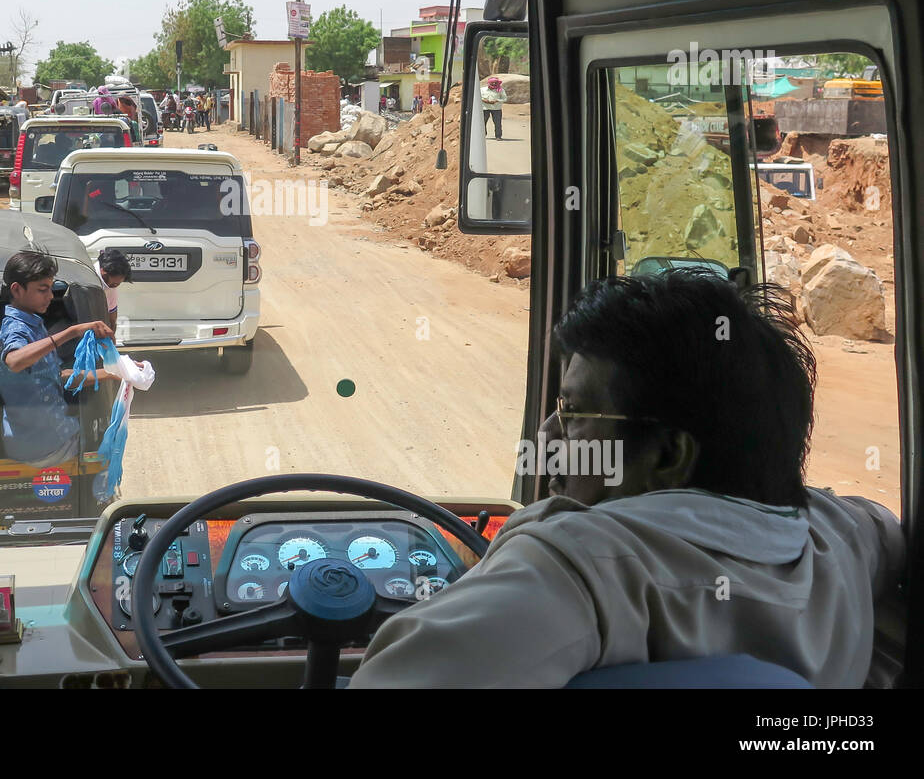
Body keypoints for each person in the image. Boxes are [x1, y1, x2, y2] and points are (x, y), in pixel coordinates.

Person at [351, 272, 904, 688]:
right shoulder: (844, 537)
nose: (547, 437)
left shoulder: (579, 570)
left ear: (666, 454)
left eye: (573, 411)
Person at [0, 251, 116, 467]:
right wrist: (71, 332)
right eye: (42, 290)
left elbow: (59, 377)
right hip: (41, 447)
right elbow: (14, 361)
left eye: (51, 289)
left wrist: (115, 371)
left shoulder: (34, 324)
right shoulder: (15, 329)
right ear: (16, 289)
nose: (50, 296)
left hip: (55, 436)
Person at [97, 247, 134, 331]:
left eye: (116, 284)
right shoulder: (88, 280)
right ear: (103, 272)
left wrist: (111, 339)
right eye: (114, 284)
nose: (113, 286)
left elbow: (112, 320)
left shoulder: (111, 288)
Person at [481, 76, 507, 141]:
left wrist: (497, 100)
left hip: (496, 109)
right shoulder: (482, 89)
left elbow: (505, 99)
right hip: (485, 108)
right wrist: (484, 100)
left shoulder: (500, 90)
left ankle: (498, 136)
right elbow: (478, 97)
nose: (494, 84)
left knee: (497, 123)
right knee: (482, 122)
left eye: (495, 83)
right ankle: (483, 135)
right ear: (489, 83)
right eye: (492, 83)